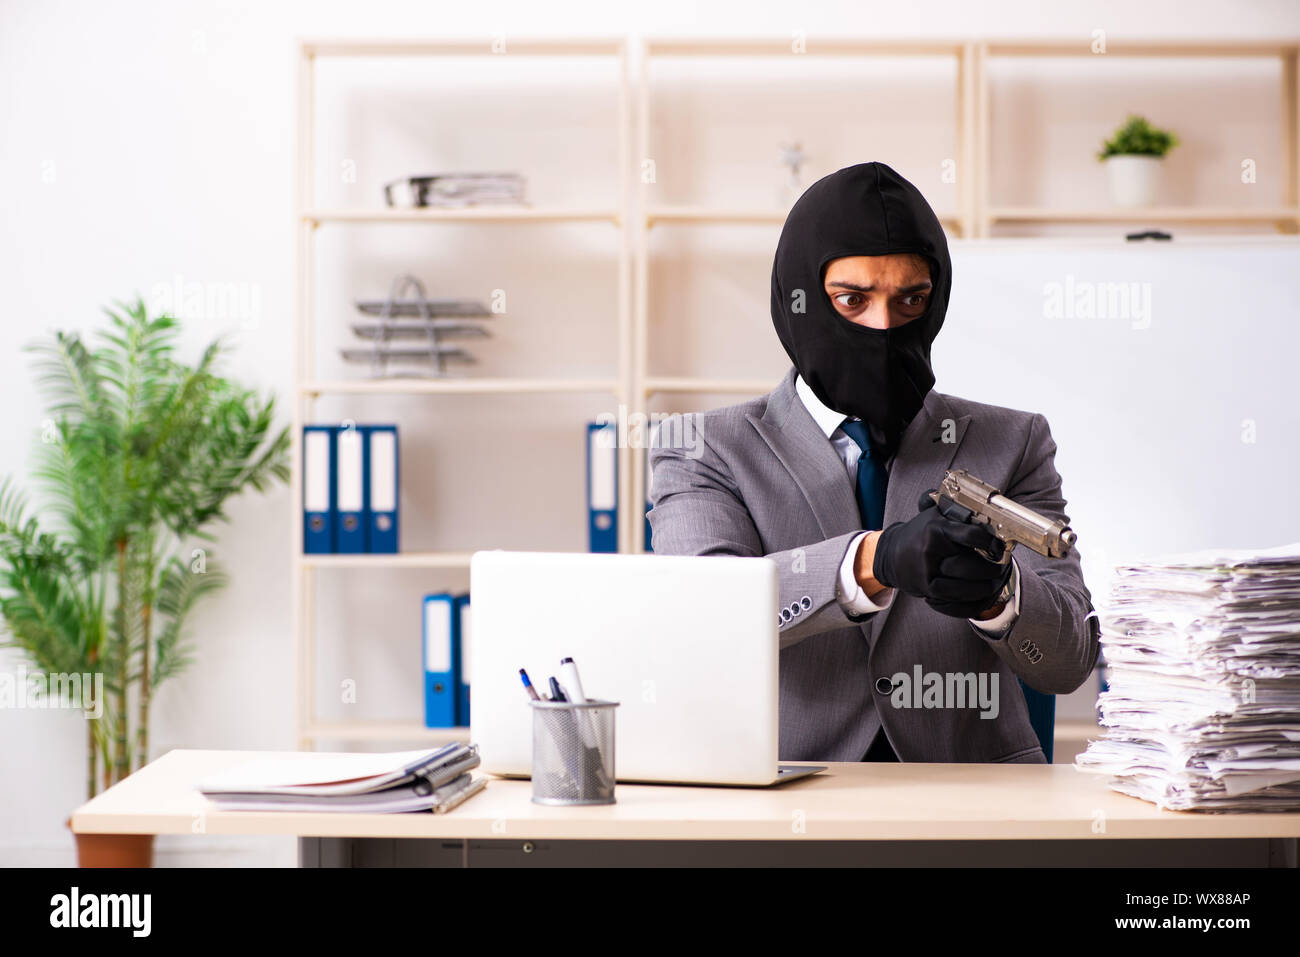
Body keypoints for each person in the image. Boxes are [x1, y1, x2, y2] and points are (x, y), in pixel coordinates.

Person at [647, 162, 1098, 763]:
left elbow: (1068, 663)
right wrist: (872, 560)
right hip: (783, 801)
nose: (884, 326)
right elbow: (702, 614)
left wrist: (1001, 598)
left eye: (911, 300)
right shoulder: (703, 446)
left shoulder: (1013, 440)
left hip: (974, 810)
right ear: (799, 298)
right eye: (852, 299)